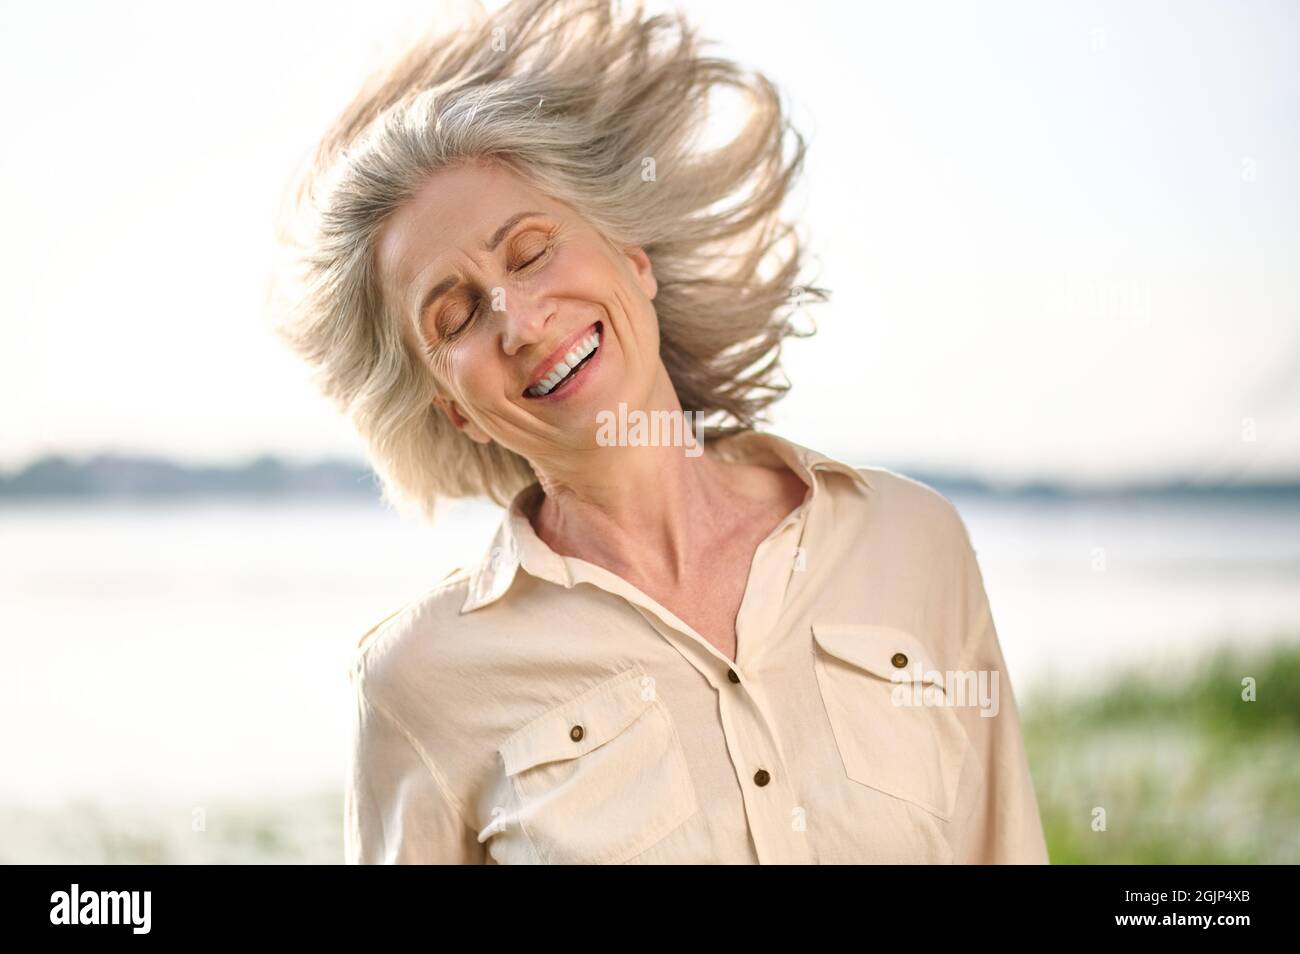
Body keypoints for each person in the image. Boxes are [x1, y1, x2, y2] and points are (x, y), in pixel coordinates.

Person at [272, 0, 1049, 864]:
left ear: (633, 259)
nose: (519, 321)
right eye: (455, 318)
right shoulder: (416, 686)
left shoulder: (913, 546)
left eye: (530, 253)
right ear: (454, 406)